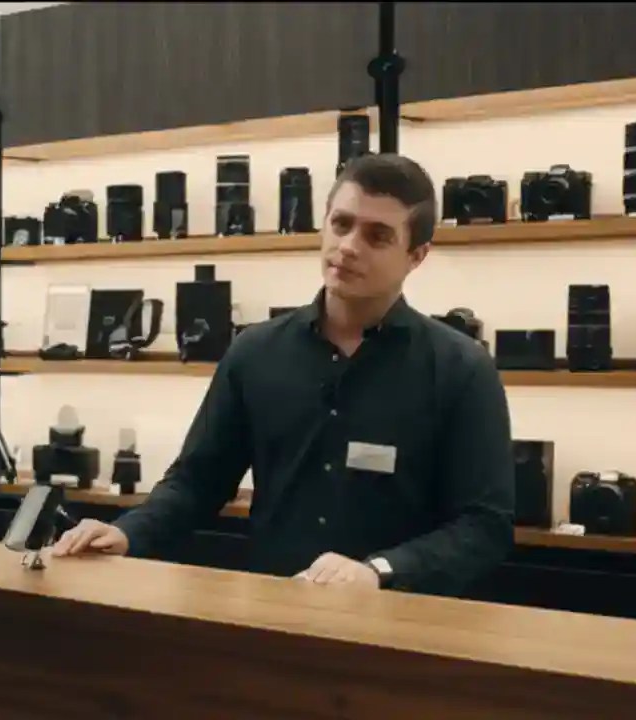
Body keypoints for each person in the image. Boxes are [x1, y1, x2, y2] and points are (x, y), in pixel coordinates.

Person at [54, 153, 515, 597]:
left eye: (377, 236)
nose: (349, 246)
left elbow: (484, 525)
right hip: (271, 616)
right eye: (341, 224)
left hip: (399, 629)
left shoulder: (462, 369)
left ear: (417, 255)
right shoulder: (256, 351)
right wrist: (127, 532)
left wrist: (380, 572)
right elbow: (198, 480)